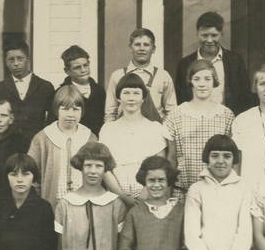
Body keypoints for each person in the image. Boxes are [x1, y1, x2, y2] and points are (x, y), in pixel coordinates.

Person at [165, 60, 236, 194]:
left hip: (217, 191)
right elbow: (171, 158)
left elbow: (231, 157)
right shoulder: (176, 115)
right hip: (183, 191)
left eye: (207, 79)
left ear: (214, 82)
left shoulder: (226, 115)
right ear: (190, 82)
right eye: (197, 79)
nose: (202, 84)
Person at [27, 85, 96, 212]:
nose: (70, 115)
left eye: (75, 109)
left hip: (83, 203)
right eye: (65, 109)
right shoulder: (43, 138)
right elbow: (31, 174)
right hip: (53, 203)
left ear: (82, 111)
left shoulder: (89, 138)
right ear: (56, 110)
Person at [99, 74, 169, 199]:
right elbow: (105, 169)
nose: (131, 98)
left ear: (143, 98)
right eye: (126, 93)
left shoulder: (155, 129)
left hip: (148, 195)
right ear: (119, 97)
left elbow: (159, 166)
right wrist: (121, 196)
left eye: (136, 93)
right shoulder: (108, 130)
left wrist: (144, 195)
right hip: (115, 196)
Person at [175, 11, 250, 114]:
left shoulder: (235, 61)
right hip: (194, 120)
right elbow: (180, 98)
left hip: (229, 120)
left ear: (221, 34)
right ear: (197, 34)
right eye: (204, 35)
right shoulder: (185, 64)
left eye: (214, 35)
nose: (209, 40)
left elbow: (244, 96)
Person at [0, 40, 55, 149]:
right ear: (6, 62)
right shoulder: (1, 88)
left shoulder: (45, 87)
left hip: (37, 144)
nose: (16, 63)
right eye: (11, 60)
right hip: (8, 145)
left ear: (28, 59)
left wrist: (44, 136)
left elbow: (54, 116)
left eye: (20, 59)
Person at [104, 27, 177, 124]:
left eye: (146, 45)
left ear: (153, 49)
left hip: (155, 131)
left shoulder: (163, 76)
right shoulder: (117, 75)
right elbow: (110, 112)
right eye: (137, 45)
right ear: (130, 48)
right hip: (125, 131)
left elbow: (172, 111)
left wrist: (163, 133)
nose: (142, 48)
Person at [58, 45, 105, 136]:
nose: (83, 70)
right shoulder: (61, 93)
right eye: (77, 67)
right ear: (67, 71)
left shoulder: (99, 91)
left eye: (85, 65)